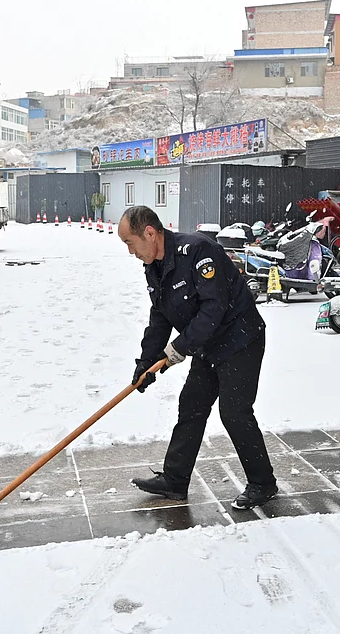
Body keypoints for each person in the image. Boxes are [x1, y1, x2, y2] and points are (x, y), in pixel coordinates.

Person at [118, 205, 278, 510]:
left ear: (149, 233)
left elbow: (213, 308)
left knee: (235, 413)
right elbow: (160, 316)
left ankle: (263, 483)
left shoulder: (198, 251)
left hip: (240, 339)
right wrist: (146, 362)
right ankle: (175, 481)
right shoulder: (155, 266)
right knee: (191, 407)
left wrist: (178, 349)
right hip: (208, 345)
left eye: (130, 242)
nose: (130, 252)